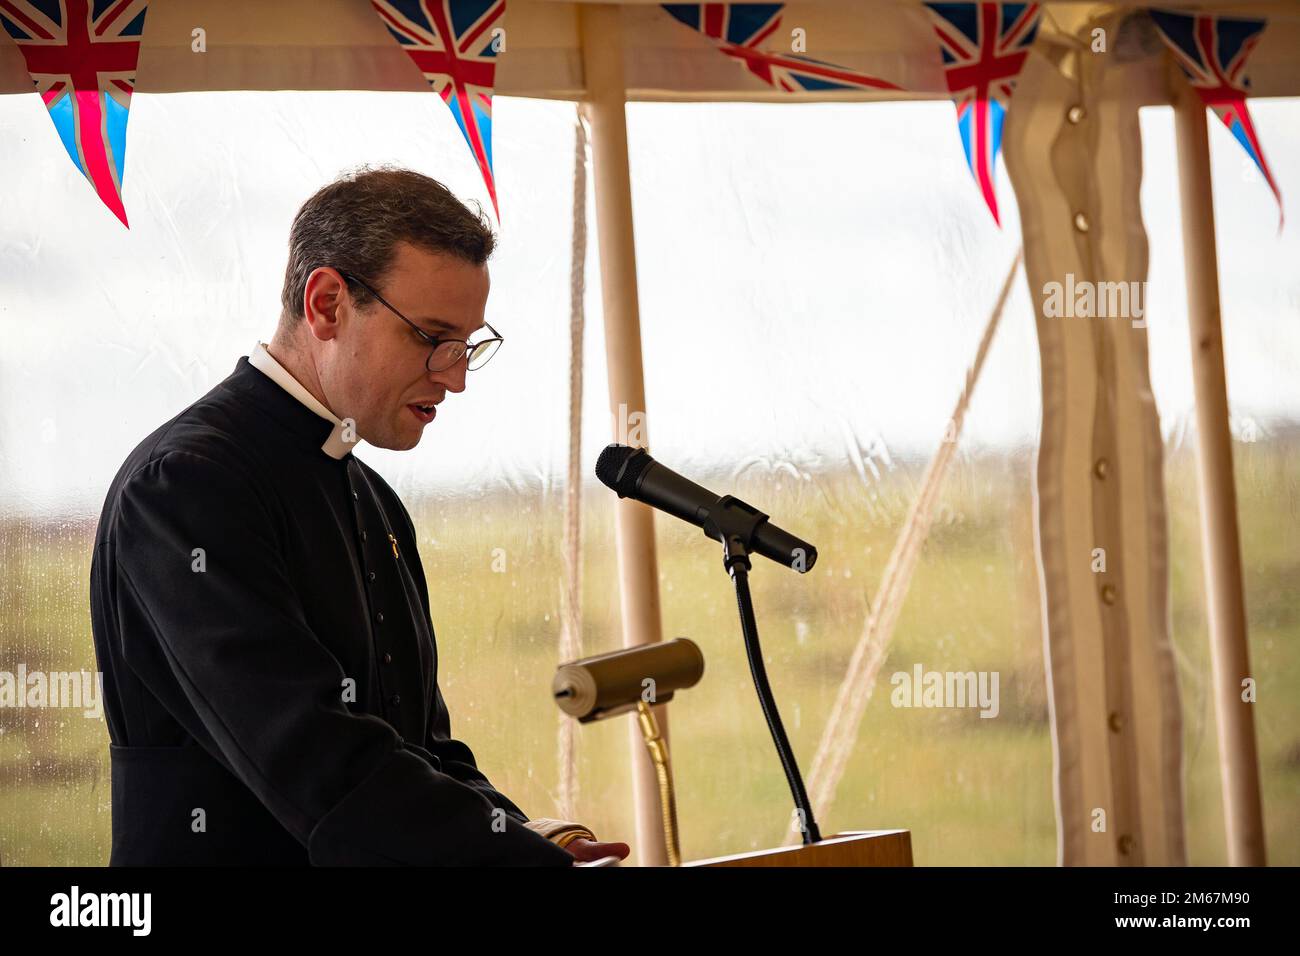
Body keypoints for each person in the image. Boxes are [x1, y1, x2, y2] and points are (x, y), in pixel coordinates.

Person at [89, 166, 630, 866]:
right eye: (431, 336)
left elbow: (420, 751)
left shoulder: (375, 501)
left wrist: (529, 836)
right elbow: (317, 763)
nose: (456, 374)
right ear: (327, 305)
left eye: (469, 343)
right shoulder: (186, 487)